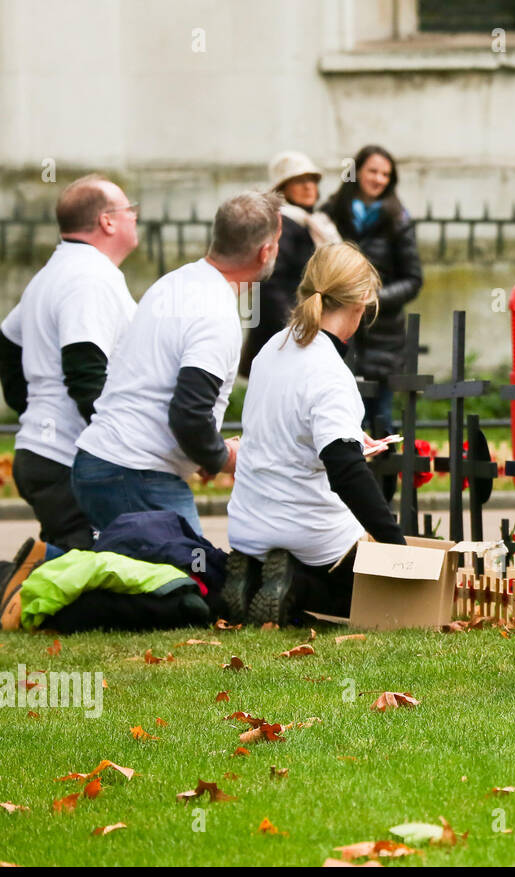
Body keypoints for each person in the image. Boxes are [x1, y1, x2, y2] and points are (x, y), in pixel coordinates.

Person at [71, 191, 282, 535]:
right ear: (265, 252)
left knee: (124, 580)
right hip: (138, 473)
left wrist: (206, 452)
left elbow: (160, 387)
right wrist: (224, 458)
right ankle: (28, 572)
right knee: (189, 579)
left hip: (104, 463)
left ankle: (35, 566)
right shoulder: (217, 314)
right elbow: (188, 416)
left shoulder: (175, 282)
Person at [224, 242, 405, 626]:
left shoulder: (273, 347)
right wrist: (396, 547)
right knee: (375, 599)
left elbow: (287, 431)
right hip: (313, 537)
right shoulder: (330, 371)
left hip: (249, 527)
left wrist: (351, 439)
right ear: (363, 301)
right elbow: (346, 473)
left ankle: (256, 577)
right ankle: (296, 585)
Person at [0, 174, 139, 552]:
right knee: (83, 572)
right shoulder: (88, 279)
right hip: (67, 459)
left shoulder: (55, 272)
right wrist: (119, 448)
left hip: (45, 452)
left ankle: (26, 576)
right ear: (107, 221)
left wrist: (31, 408)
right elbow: (85, 371)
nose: (135, 217)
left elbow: (8, 340)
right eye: (130, 210)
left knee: (69, 565)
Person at [320, 145, 423, 442]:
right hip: (337, 330)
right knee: (339, 418)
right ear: (357, 172)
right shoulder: (331, 213)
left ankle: (382, 486)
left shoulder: (397, 219)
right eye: (373, 171)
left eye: (385, 174)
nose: (379, 179)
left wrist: (374, 299)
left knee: (380, 420)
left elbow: (413, 280)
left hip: (383, 336)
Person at [239, 151, 341, 377]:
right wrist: (295, 330)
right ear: (282, 188)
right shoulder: (281, 225)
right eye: (299, 181)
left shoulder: (314, 224)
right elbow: (269, 285)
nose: (308, 187)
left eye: (312, 180)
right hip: (286, 339)